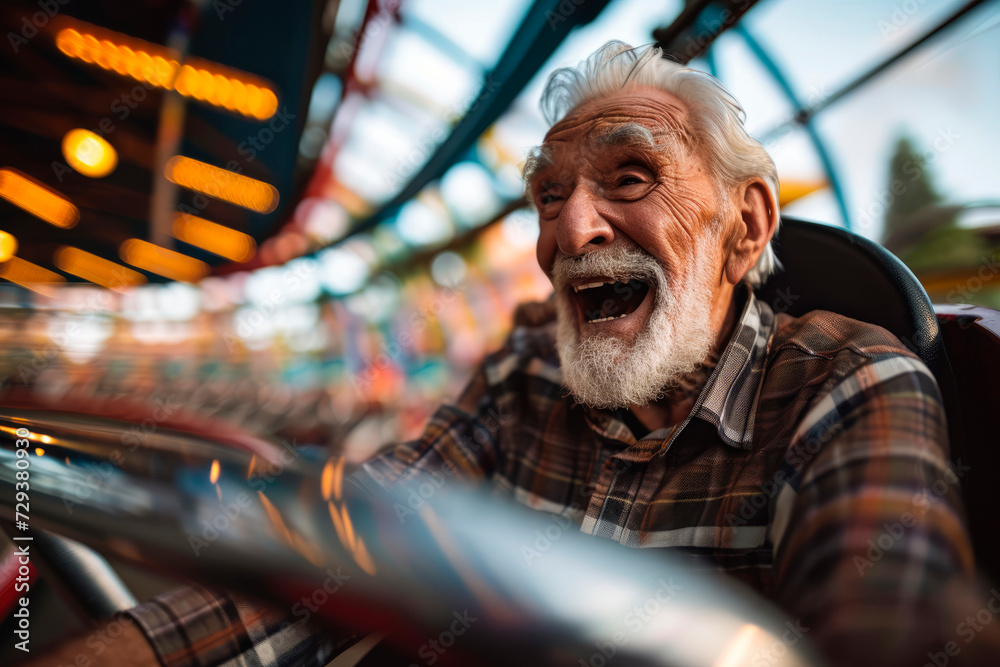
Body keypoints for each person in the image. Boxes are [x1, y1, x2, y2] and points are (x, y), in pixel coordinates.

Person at [25, 41, 989, 667]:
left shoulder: (846, 381)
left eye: (630, 176)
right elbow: (365, 532)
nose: (570, 231)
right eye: (548, 194)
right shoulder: (530, 366)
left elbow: (884, 631)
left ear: (746, 226)